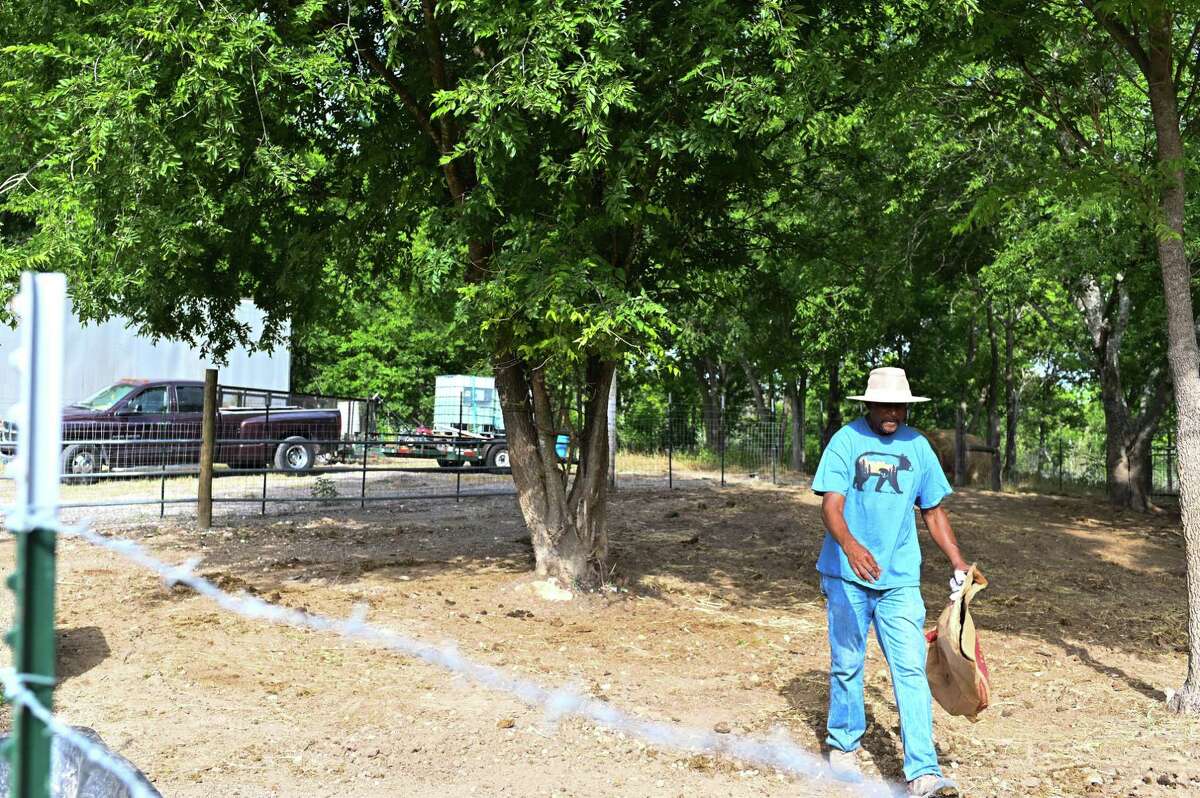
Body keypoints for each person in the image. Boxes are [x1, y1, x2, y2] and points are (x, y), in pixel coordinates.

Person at [811, 366, 968, 798]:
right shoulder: (846, 441)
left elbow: (932, 510)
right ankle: (844, 743)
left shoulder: (917, 447)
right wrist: (850, 545)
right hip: (847, 575)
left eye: (899, 406)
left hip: (899, 579)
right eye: (884, 406)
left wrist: (957, 560)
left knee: (911, 668)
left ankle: (924, 772)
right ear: (869, 404)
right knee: (848, 662)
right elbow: (831, 505)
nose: (893, 413)